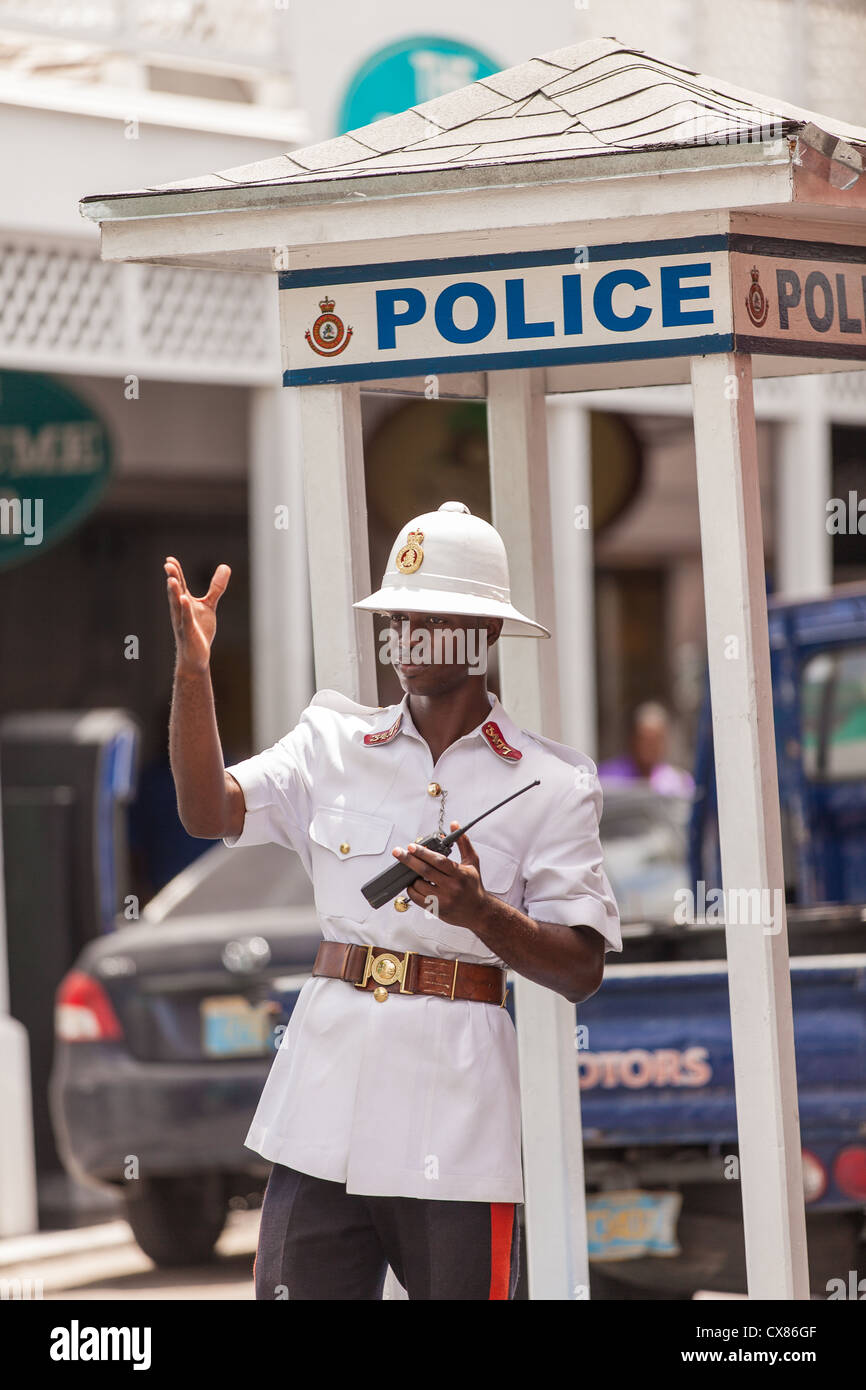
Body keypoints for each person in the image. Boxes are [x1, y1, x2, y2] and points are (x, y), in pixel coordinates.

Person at [164, 500, 620, 1301]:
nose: (403, 630)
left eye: (424, 614)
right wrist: (194, 676)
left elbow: (581, 968)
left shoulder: (551, 782)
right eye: (395, 613)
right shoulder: (331, 743)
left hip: (458, 1118)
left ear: (480, 634)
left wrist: (482, 914)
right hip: (323, 1110)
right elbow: (208, 811)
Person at [597, 701, 694, 798]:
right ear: (633, 739)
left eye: (655, 740)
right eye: (645, 739)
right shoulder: (606, 778)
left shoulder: (680, 782)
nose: (650, 747)